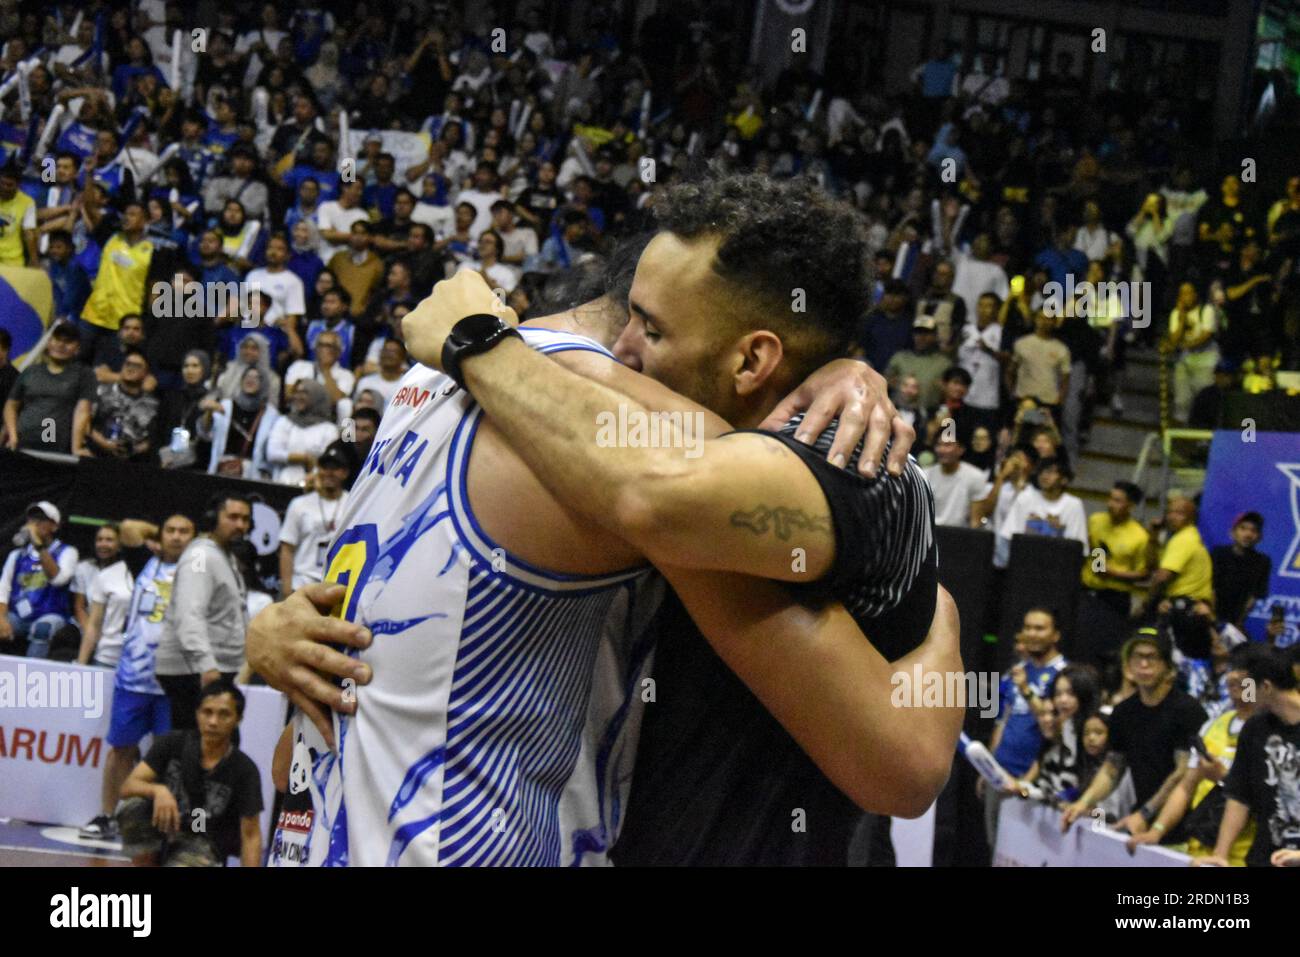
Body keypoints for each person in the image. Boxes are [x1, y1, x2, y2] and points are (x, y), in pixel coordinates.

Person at [250, 175, 957, 867]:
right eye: (629, 319)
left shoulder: (840, 465)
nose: (623, 349)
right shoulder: (550, 407)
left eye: (650, 329)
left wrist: (482, 340)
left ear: (753, 357)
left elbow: (905, 764)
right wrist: (277, 636)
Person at [81, 513, 197, 841]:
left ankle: (158, 825)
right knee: (121, 749)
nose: (176, 537)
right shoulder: (144, 563)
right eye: (170, 531)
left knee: (169, 756)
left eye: (184, 531)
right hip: (134, 677)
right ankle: (108, 817)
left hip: (176, 683)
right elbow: (128, 527)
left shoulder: (201, 570)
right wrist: (156, 539)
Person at [1062, 630, 1207, 838]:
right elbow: (1112, 768)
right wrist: (1083, 803)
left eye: (1151, 657)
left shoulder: (1188, 711)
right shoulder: (1123, 712)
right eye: (1137, 657)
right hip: (1139, 822)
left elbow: (1182, 774)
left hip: (1185, 826)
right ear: (1128, 665)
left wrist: (1145, 814)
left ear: (1168, 667)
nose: (1144, 664)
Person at [1127, 646, 1258, 864]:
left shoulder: (1269, 732)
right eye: (1232, 669)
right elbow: (1185, 787)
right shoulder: (1213, 726)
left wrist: (1224, 778)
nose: (1234, 676)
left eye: (1244, 672)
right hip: (1200, 853)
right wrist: (1157, 831)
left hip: (1243, 857)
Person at [117, 679, 263, 867]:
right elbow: (128, 787)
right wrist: (159, 791)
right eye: (207, 712)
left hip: (202, 839)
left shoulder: (245, 769)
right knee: (133, 806)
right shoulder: (172, 743)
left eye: (224, 714)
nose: (213, 722)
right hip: (164, 827)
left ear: (238, 719)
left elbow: (251, 835)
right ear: (197, 714)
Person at [153, 495, 252, 730]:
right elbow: (189, 615)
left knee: (212, 749)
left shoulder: (223, 555)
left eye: (245, 519)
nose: (240, 525)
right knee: (204, 751)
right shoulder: (200, 556)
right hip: (195, 671)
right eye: (233, 517)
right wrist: (206, 666)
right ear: (213, 519)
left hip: (211, 667)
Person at [1200, 645, 1300, 867]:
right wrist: (1221, 853)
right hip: (1265, 857)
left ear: (1265, 687)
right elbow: (1239, 795)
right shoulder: (1255, 728)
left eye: (1247, 686)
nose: (1242, 695)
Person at [984, 609, 1067, 849]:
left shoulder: (1064, 674)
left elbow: (1054, 728)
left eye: (1040, 628)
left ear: (1056, 635)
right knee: (997, 850)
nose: (1032, 633)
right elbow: (1002, 721)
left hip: (1035, 781)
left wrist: (1027, 691)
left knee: (1026, 853)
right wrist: (989, 767)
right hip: (1000, 776)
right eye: (1027, 627)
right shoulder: (1015, 673)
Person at [0, 502, 80, 659]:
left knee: (42, 629)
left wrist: (38, 545)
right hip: (19, 616)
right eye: (32, 518)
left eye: (41, 519)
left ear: (54, 526)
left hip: (51, 614)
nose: (34, 523)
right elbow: (3, 589)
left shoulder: (67, 552)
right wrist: (1, 619)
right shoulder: (17, 555)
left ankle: (29, 676)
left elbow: (58, 579)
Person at [3, 320, 95, 455]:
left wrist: (76, 448)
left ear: (77, 348)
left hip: (57, 449)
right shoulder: (31, 371)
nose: (61, 345)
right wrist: (12, 436)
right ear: (49, 342)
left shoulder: (84, 374)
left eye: (68, 341)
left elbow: (83, 411)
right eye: (57, 339)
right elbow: (11, 405)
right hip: (22, 444)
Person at [79, 199, 154, 364]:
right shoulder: (111, 237)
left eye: (133, 214)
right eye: (126, 214)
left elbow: (152, 289)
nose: (127, 218)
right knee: (77, 361)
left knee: (109, 367)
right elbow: (89, 207)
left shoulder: (152, 251)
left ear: (145, 220)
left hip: (123, 321)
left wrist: (146, 320)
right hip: (94, 313)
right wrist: (90, 174)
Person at [1079, 481, 1150, 653]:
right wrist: (1099, 564)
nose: (1111, 504)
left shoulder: (1140, 536)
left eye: (1118, 501)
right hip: (1087, 590)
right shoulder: (1096, 520)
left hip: (1114, 597)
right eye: (1110, 498)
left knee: (1107, 645)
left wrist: (1114, 573)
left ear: (1130, 505)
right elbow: (1095, 548)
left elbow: (1143, 573)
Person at [278, 447, 351, 597]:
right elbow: (287, 548)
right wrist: (286, 588)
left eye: (335, 468)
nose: (329, 473)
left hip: (336, 586)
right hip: (301, 584)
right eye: (325, 468)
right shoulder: (299, 504)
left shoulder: (353, 503)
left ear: (345, 473)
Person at [996, 457, 1088, 566]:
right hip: (1022, 567)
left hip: (1056, 570)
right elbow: (1006, 539)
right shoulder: (1025, 498)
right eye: (1042, 471)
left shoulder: (1074, 505)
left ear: (1064, 480)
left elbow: (1078, 549)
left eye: (1050, 472)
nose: (1044, 475)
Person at [1143, 495, 1215, 617]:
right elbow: (1151, 565)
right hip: (1099, 587)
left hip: (1119, 593)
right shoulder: (1099, 522)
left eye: (1179, 513)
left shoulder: (1135, 535)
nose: (1171, 517)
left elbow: (1153, 574)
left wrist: (1146, 604)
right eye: (1169, 512)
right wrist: (1153, 537)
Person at [76, 524, 136, 669]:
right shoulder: (103, 576)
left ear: (120, 544)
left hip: (137, 658)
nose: (103, 544)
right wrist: (80, 664)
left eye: (109, 540)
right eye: (100, 539)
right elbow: (93, 624)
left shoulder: (143, 573)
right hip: (107, 656)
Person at [87, 348, 158, 463]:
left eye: (137, 366)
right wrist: (105, 444)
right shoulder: (101, 392)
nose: (130, 368)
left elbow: (151, 440)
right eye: (128, 364)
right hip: (96, 457)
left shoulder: (152, 404)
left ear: (146, 373)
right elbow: (86, 424)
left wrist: (131, 450)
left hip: (134, 464)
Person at [265, 380, 340, 486]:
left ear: (317, 396)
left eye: (304, 393)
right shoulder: (284, 421)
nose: (298, 397)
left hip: (314, 485)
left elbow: (328, 461)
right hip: (281, 481)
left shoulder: (329, 429)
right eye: (297, 392)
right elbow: (272, 453)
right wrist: (305, 458)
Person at [1166, 282, 1221, 424]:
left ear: (1195, 294)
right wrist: (1182, 319)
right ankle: (1181, 433)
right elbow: (1174, 339)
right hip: (1185, 361)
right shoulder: (1176, 313)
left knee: (1203, 397)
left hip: (1205, 360)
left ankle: (1202, 432)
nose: (1185, 297)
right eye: (1182, 294)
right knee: (1181, 398)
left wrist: (1185, 345)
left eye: (1188, 293)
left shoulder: (1206, 310)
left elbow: (1206, 335)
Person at [1211, 512, 1272, 630]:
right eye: (1243, 528)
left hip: (1235, 622)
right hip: (1209, 617)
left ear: (1259, 537)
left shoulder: (1262, 561)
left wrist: (1237, 625)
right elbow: (1210, 588)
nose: (1248, 534)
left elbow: (1254, 597)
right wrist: (1213, 621)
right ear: (1232, 532)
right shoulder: (1218, 554)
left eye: (1253, 531)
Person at [1008, 310, 1071, 418]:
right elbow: (1010, 371)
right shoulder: (1021, 344)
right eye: (1041, 318)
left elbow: (1065, 379)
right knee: (1024, 433)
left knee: (1044, 434)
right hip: (1024, 400)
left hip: (1049, 403)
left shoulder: (1062, 349)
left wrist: (1060, 400)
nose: (1044, 322)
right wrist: (1013, 393)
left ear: (1054, 322)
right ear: (1035, 319)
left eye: (1048, 319)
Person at [924, 436, 993, 528]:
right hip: (928, 532)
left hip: (960, 535)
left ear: (961, 449)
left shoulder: (975, 476)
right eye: (938, 445)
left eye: (947, 445)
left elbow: (975, 521)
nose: (941, 450)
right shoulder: (924, 475)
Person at [886, 317, 948, 411]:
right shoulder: (899, 358)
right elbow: (885, 383)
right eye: (918, 333)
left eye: (926, 333)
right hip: (899, 413)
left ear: (935, 336)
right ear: (913, 335)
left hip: (929, 414)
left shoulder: (944, 364)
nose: (922, 337)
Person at [0, 162, 37, 266]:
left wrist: (34, 260)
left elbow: (29, 233)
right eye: (2, 183)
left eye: (10, 185)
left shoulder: (27, 202)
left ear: (18, 185)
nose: (5, 188)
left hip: (12, 259)